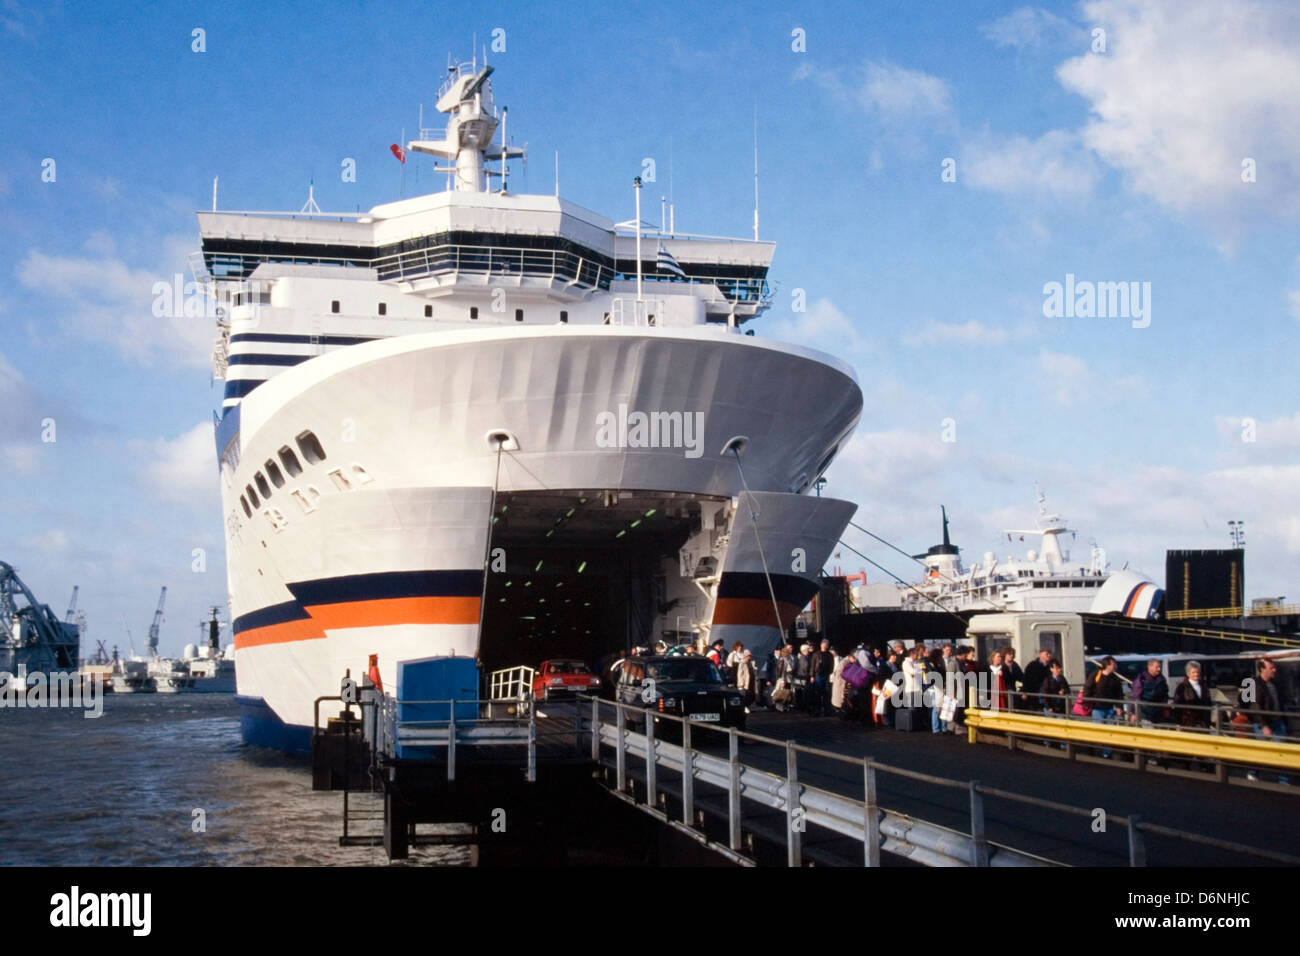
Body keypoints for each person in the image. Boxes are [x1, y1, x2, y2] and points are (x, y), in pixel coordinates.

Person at [1129, 658, 1170, 725]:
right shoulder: (1141, 679)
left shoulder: (1161, 679)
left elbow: (1165, 694)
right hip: (1145, 712)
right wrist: (1134, 713)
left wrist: (1165, 707)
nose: (1159, 669)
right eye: (1157, 667)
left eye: (1160, 667)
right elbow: (1136, 696)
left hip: (1158, 712)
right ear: (1149, 667)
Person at [1171, 661, 1210, 729]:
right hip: (1188, 723)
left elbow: (1209, 703)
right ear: (1188, 674)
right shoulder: (1182, 687)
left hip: (1203, 723)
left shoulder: (1204, 686)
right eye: (1193, 672)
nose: (1196, 674)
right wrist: (1178, 723)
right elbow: (1177, 706)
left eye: (1197, 672)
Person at [810, 639, 835, 716]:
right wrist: (812, 676)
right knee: (817, 693)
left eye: (826, 644)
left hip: (826, 675)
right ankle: (817, 710)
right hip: (818, 675)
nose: (825, 646)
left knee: (826, 694)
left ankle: (826, 710)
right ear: (821, 645)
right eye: (823, 644)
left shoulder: (830, 655)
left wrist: (829, 672)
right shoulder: (816, 654)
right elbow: (812, 665)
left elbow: (832, 665)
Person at [1002, 646, 1024, 711]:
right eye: (1009, 654)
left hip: (1013, 690)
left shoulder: (1015, 665)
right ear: (1005, 655)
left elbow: (1021, 677)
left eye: (1012, 654)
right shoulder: (1001, 665)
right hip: (1004, 690)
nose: (1011, 656)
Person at [794, 643, 814, 714]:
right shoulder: (803, 658)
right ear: (804, 650)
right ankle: (803, 707)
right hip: (803, 678)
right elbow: (806, 668)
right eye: (808, 649)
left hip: (803, 678)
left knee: (803, 693)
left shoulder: (806, 657)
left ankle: (802, 707)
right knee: (803, 693)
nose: (809, 650)